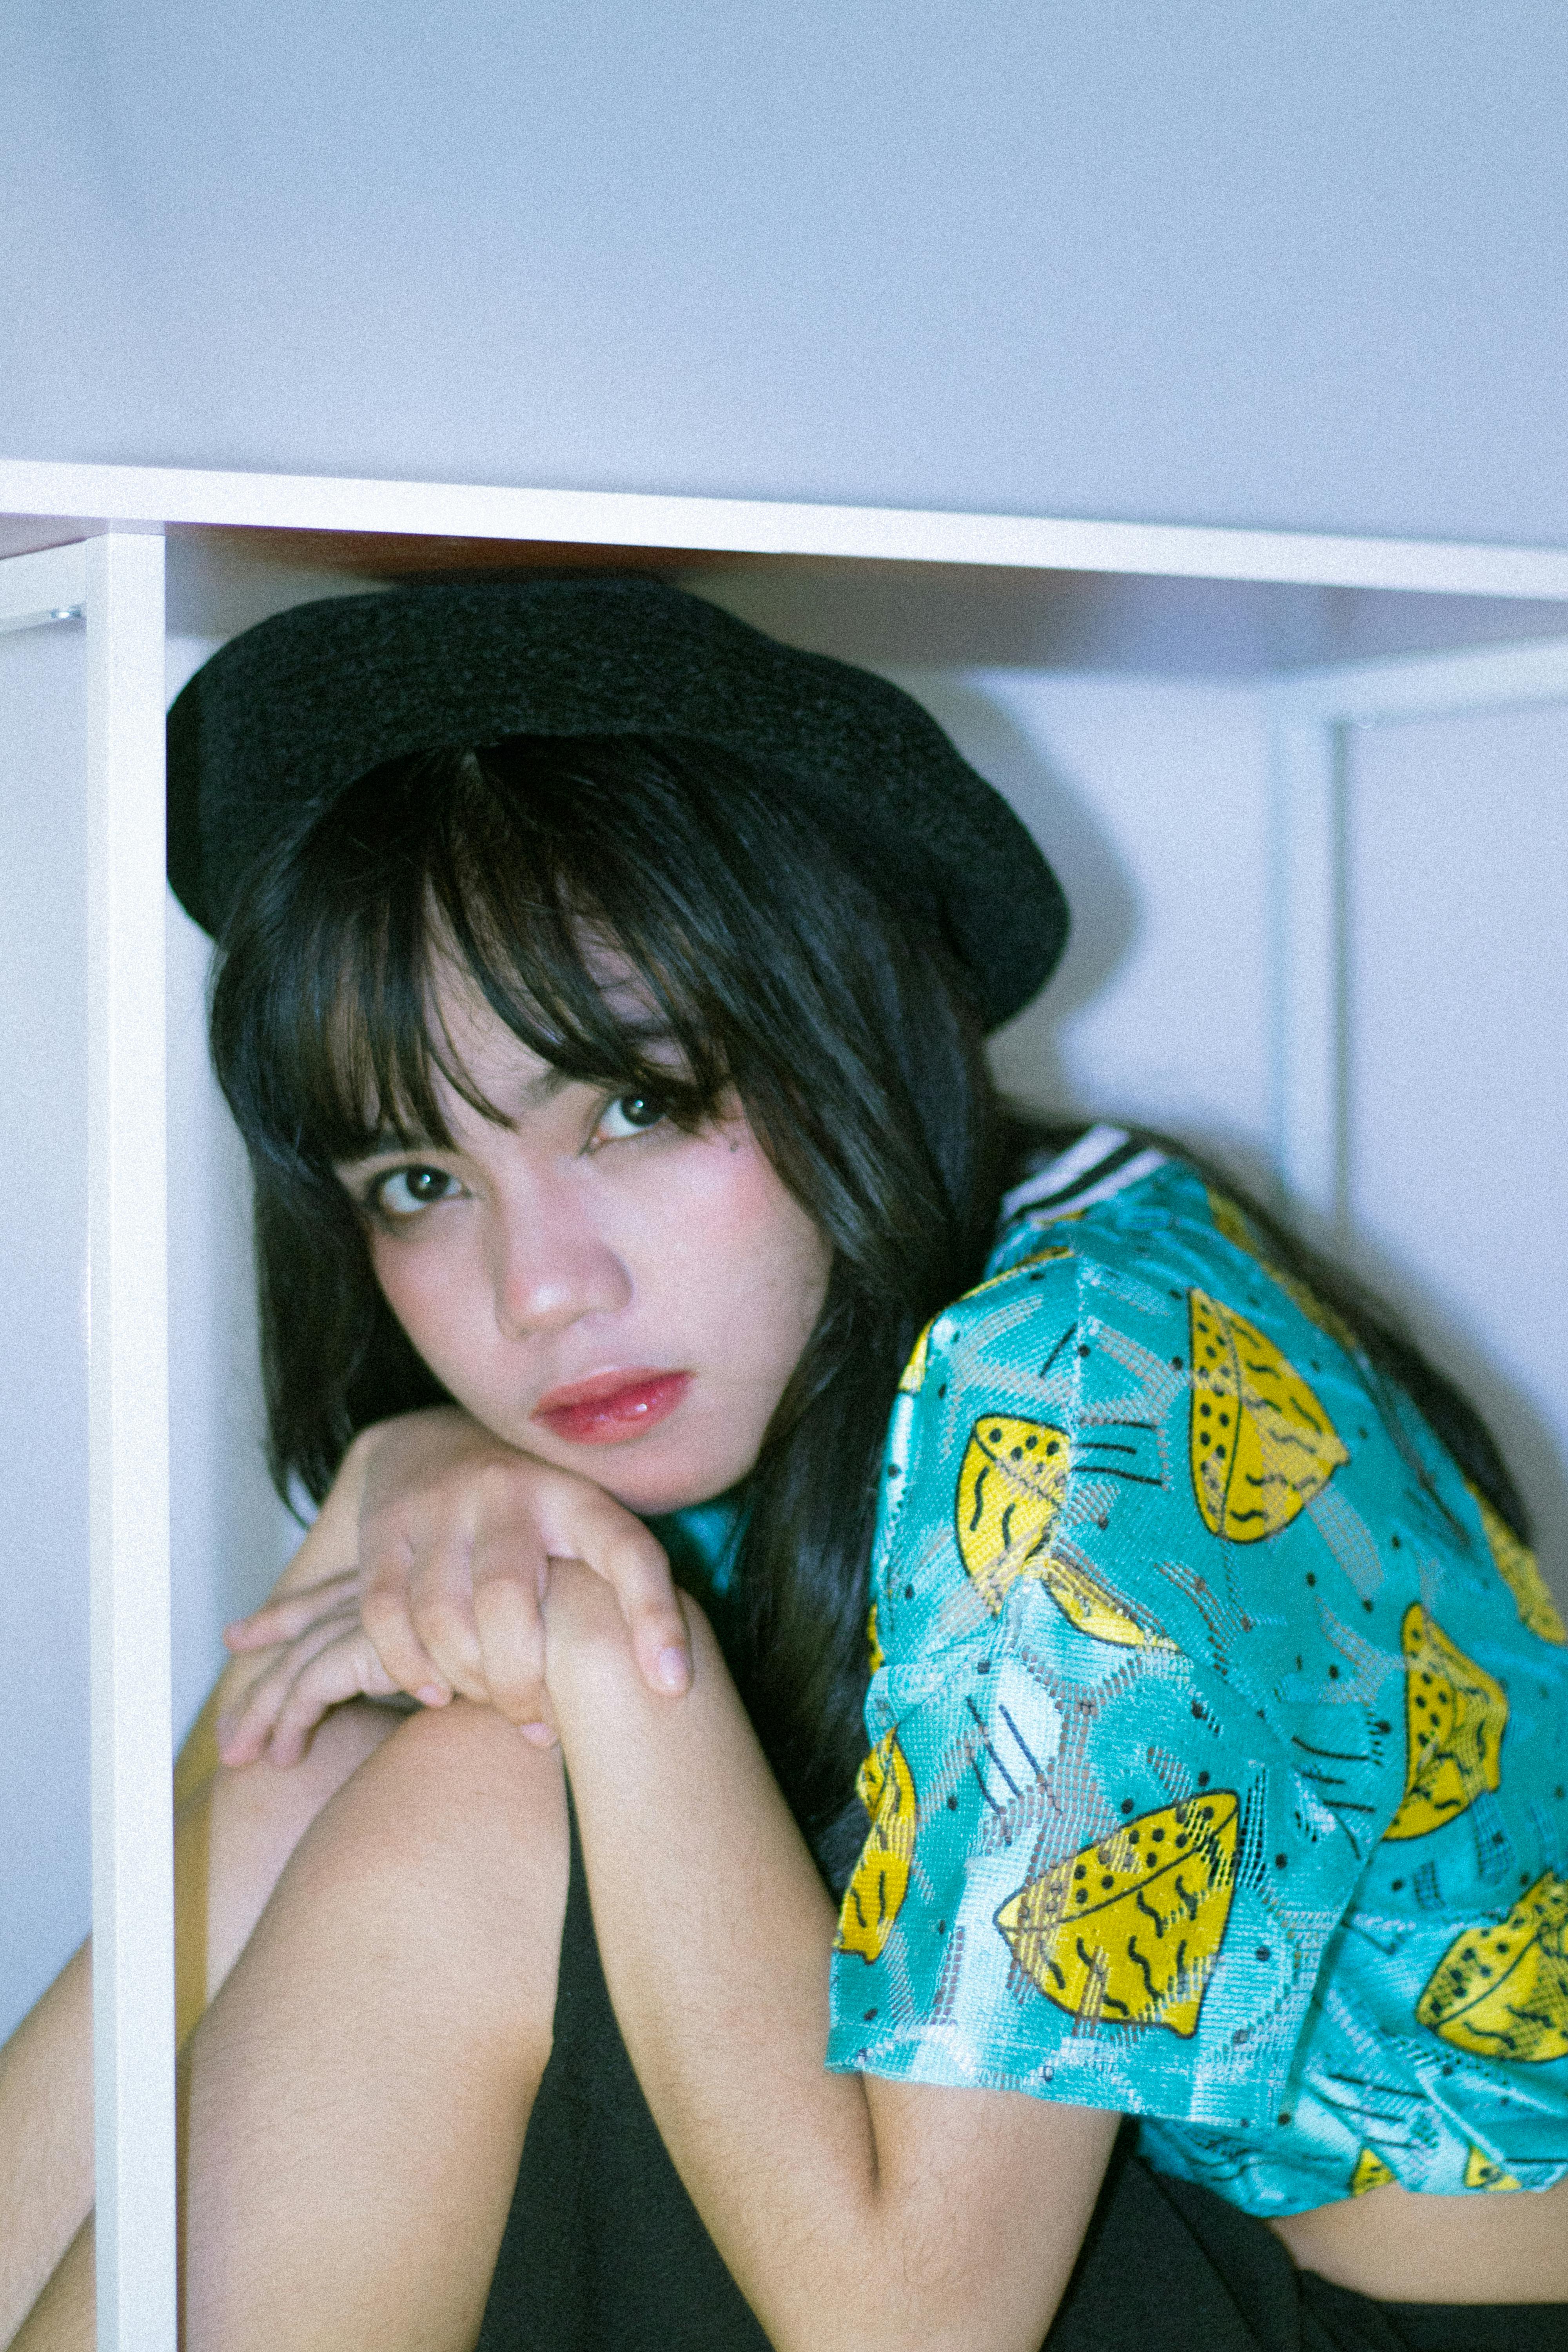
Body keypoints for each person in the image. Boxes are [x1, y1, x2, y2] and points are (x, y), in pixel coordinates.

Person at [5, 579, 1568, 2352]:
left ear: (840, 1017)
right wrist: (400, 1476)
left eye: (637, 1108)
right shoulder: (820, 1319)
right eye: (418, 1183)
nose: (540, 1294)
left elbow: (916, 2326)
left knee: (480, 1796)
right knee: (345, 1754)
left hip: (1335, 2323)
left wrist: (607, 1658)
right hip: (1107, 2237)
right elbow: (270, 1769)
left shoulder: (1085, 1375)